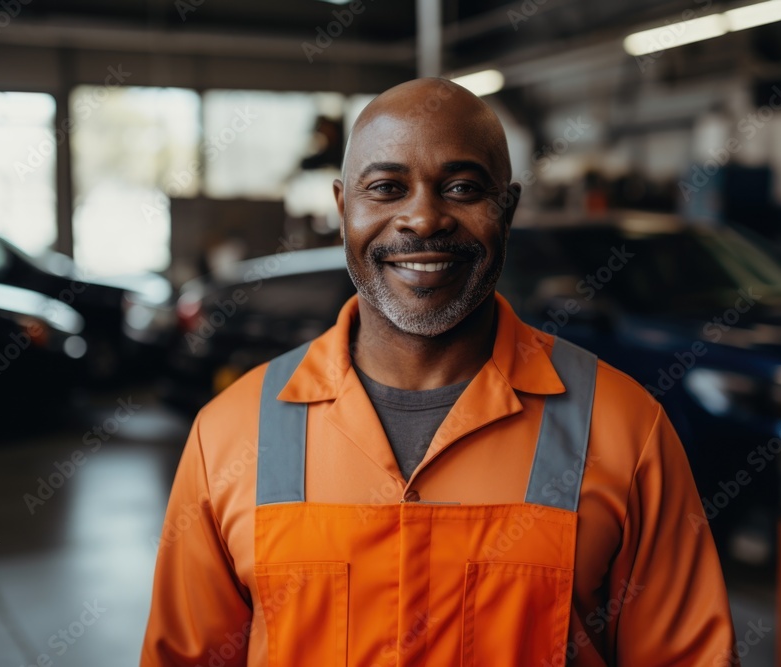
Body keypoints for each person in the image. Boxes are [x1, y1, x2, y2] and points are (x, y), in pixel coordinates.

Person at [140, 77, 737, 666]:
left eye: (460, 187)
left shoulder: (625, 430)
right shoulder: (229, 434)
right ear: (344, 208)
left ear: (508, 208)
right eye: (387, 187)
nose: (423, 218)